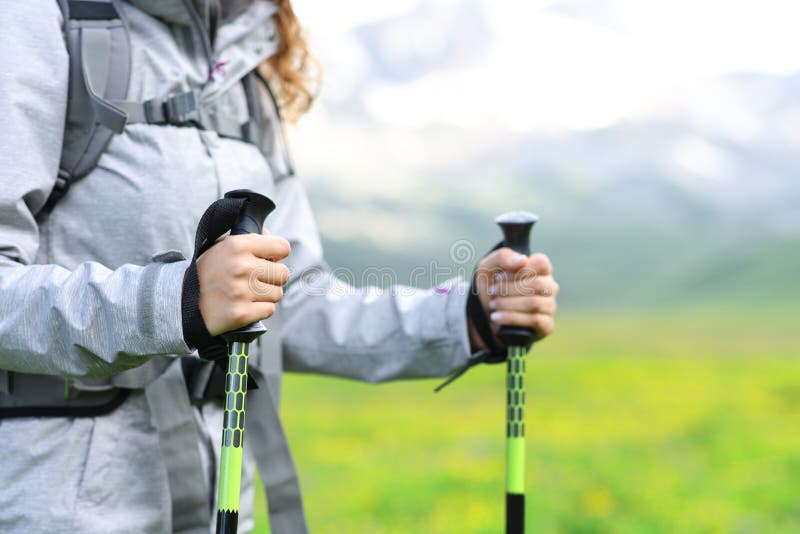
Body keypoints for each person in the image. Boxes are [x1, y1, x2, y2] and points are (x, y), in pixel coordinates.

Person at [0, 1, 559, 533]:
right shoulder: (40, 22)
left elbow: (293, 302)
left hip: (215, 502)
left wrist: (465, 317)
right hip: (52, 503)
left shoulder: (244, 74)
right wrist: (179, 300)